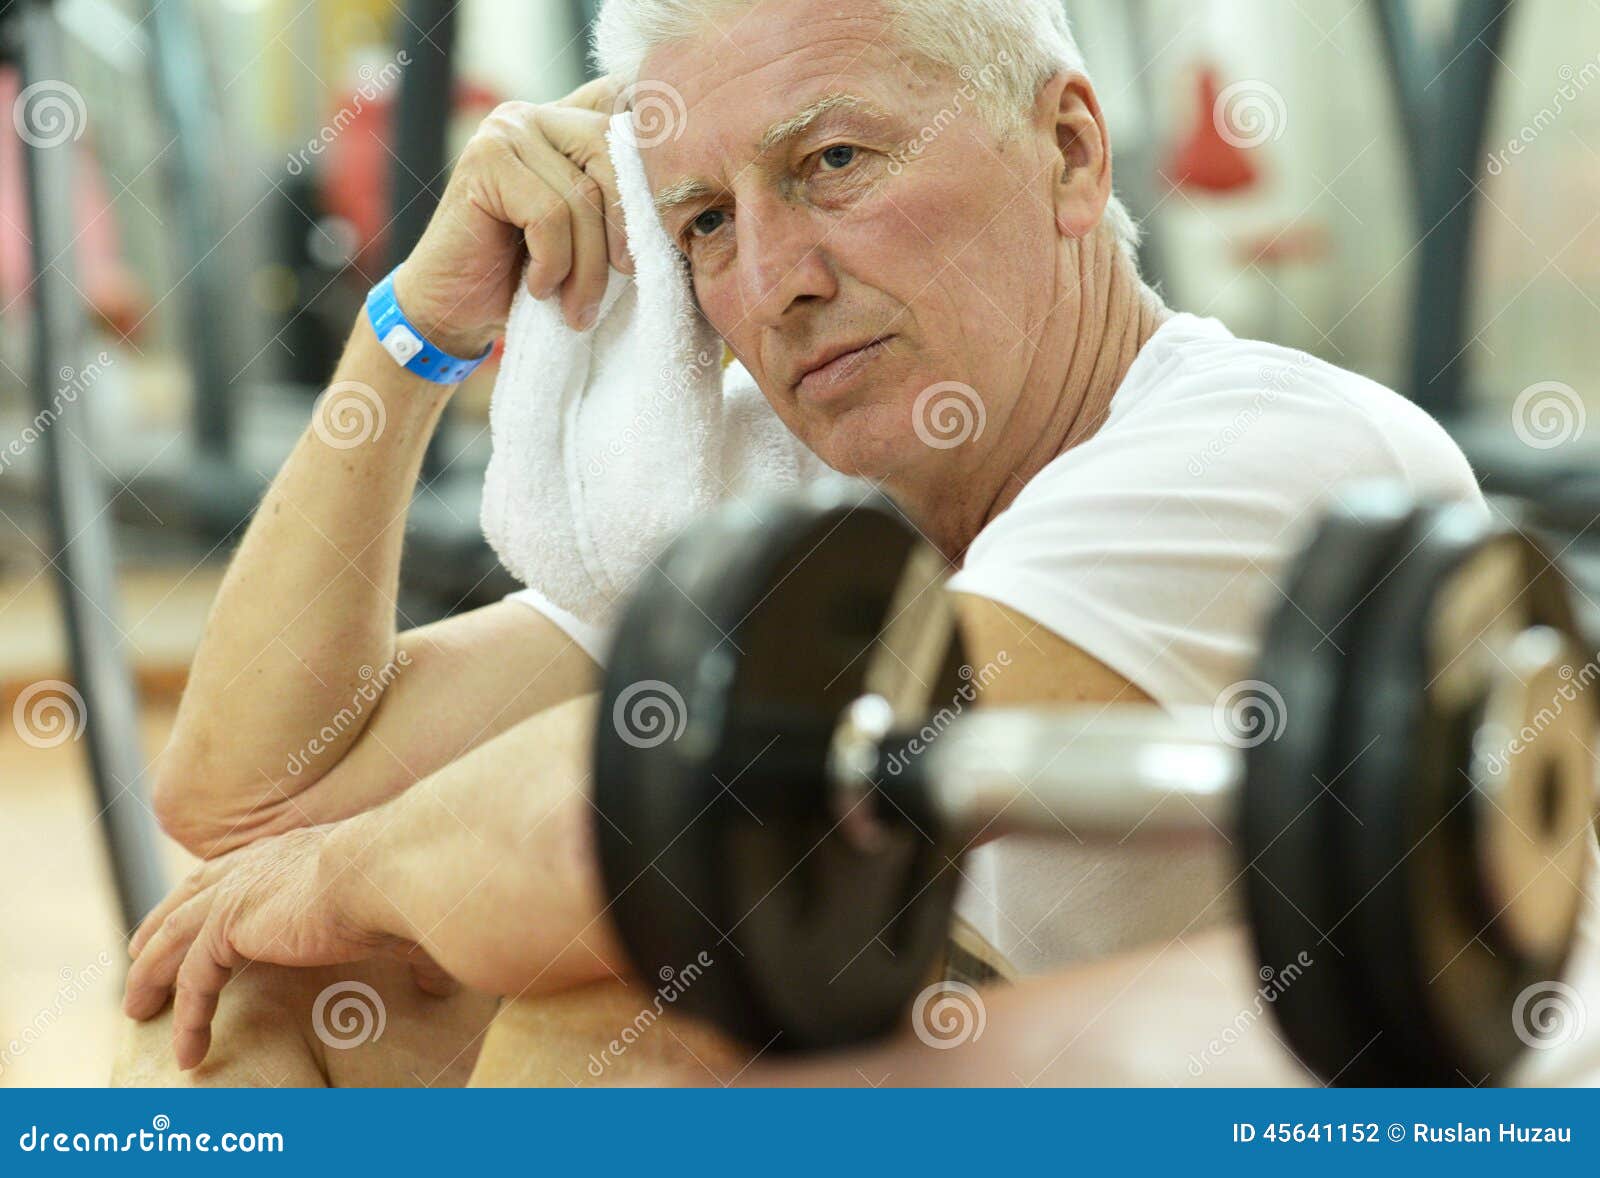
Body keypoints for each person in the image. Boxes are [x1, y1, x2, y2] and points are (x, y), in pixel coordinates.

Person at [114, 0, 1483, 1086]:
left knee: (651, 1022)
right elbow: (253, 795)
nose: (774, 284)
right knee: (246, 998)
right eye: (706, 221)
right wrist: (411, 330)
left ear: (1068, 149)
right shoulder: (785, 488)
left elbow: (690, 827)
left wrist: (338, 878)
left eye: (832, 163)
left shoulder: (1268, 451)